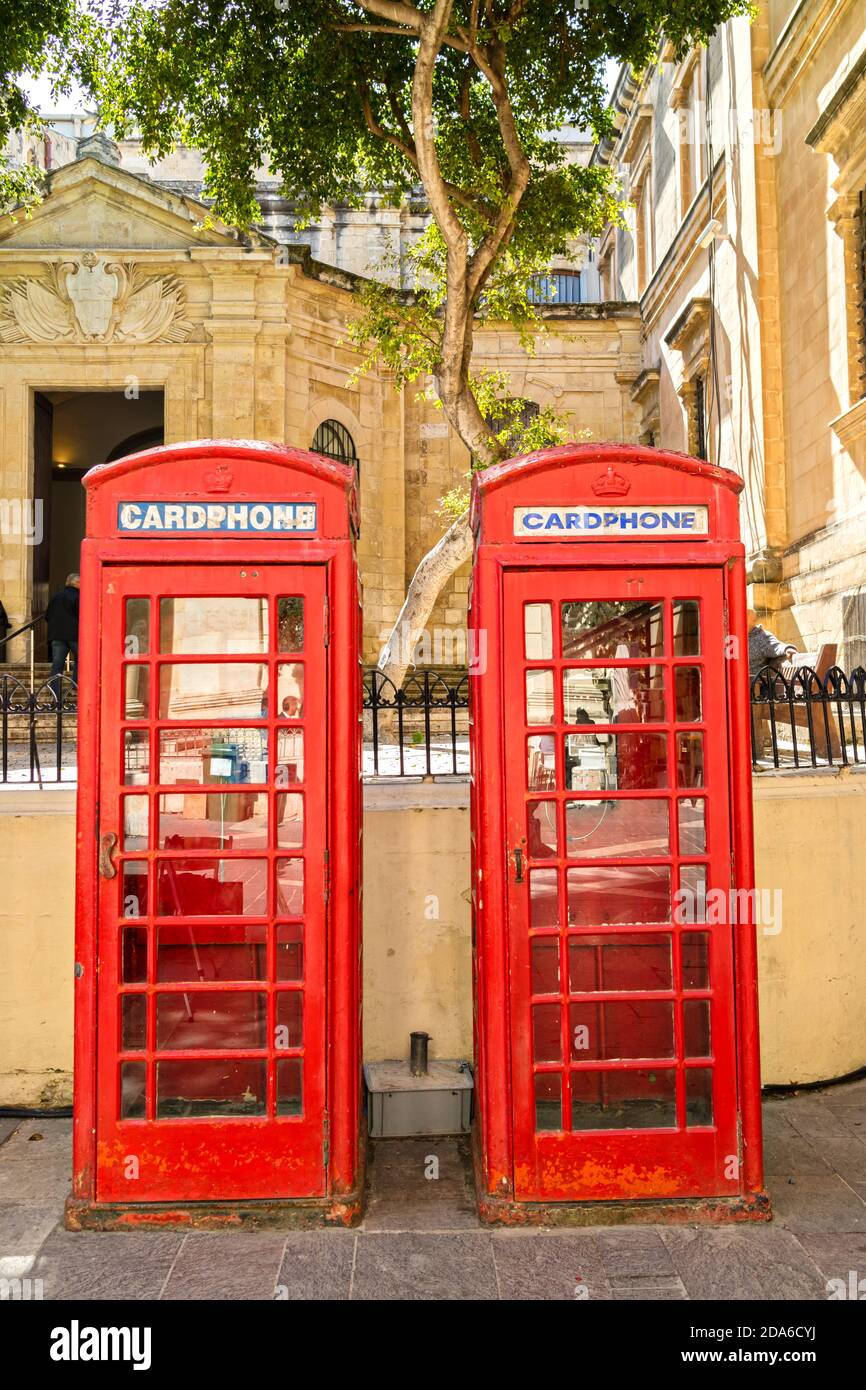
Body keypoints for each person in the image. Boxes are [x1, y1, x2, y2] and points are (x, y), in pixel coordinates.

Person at [46, 572, 80, 689]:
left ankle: (54, 691)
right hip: (75, 635)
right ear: (77, 583)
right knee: (80, 661)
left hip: (57, 635)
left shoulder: (55, 596)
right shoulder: (79, 596)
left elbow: (47, 616)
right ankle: (75, 687)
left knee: (57, 664)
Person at [747, 609, 797, 679]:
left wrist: (787, 649)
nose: (754, 622)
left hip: (756, 684)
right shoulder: (734, 638)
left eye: (754, 620)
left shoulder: (762, 636)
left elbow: (776, 646)